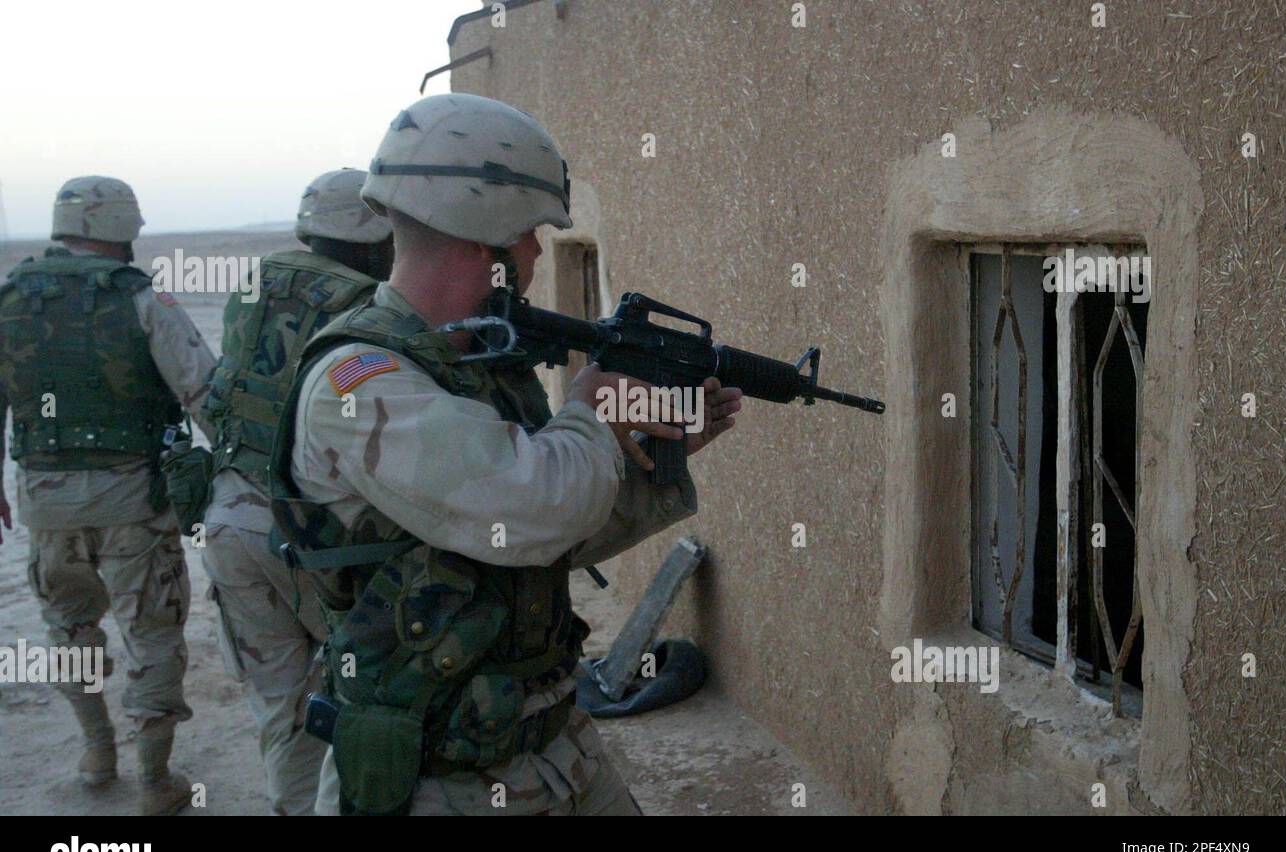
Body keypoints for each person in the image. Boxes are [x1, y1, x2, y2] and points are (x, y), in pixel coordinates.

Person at [268, 93, 743, 815]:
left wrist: (650, 457)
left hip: (552, 739)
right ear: (479, 234)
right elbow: (531, 511)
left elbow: (539, 544)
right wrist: (590, 408)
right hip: (435, 777)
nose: (536, 254)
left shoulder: (474, 359)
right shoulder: (358, 384)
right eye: (529, 232)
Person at [0, 176, 216, 815]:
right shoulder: (144, 297)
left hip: (45, 503)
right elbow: (203, 390)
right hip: (134, 503)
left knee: (69, 627)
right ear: (124, 228)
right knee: (152, 635)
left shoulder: (9, 297)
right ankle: (155, 782)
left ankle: (97, 753)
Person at [199, 168, 392, 815]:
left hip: (229, 521)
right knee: (357, 697)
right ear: (371, 236)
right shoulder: (370, 305)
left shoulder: (255, 285)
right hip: (311, 537)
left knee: (283, 709)